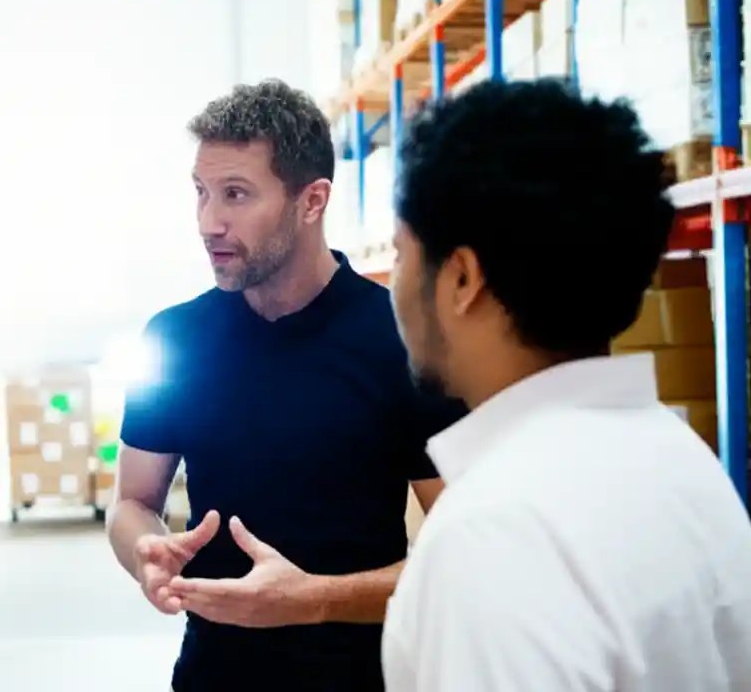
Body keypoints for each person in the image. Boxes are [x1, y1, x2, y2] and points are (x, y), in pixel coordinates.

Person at [382, 79, 751, 691]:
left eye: (400, 254)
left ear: (462, 278)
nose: (393, 284)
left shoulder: (494, 535)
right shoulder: (681, 459)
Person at [107, 79, 466, 691]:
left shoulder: (403, 341)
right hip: (211, 677)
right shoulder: (174, 338)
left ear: (312, 200)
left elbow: (465, 550)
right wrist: (145, 553)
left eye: (236, 195)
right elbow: (132, 503)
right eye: (201, 192)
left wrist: (314, 599)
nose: (208, 222)